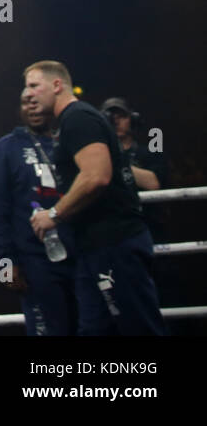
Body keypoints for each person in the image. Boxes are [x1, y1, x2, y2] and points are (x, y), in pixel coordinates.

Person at [24, 61, 165, 335]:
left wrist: (53, 215)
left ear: (56, 85)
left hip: (114, 242)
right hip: (94, 245)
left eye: (33, 85)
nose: (27, 93)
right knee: (95, 329)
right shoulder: (71, 121)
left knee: (139, 328)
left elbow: (96, 176)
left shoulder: (78, 118)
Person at [0, 89, 77, 335]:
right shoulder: (5, 148)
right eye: (26, 102)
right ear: (19, 109)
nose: (33, 107)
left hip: (80, 254)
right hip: (34, 260)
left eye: (37, 102)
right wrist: (6, 264)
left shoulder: (69, 143)